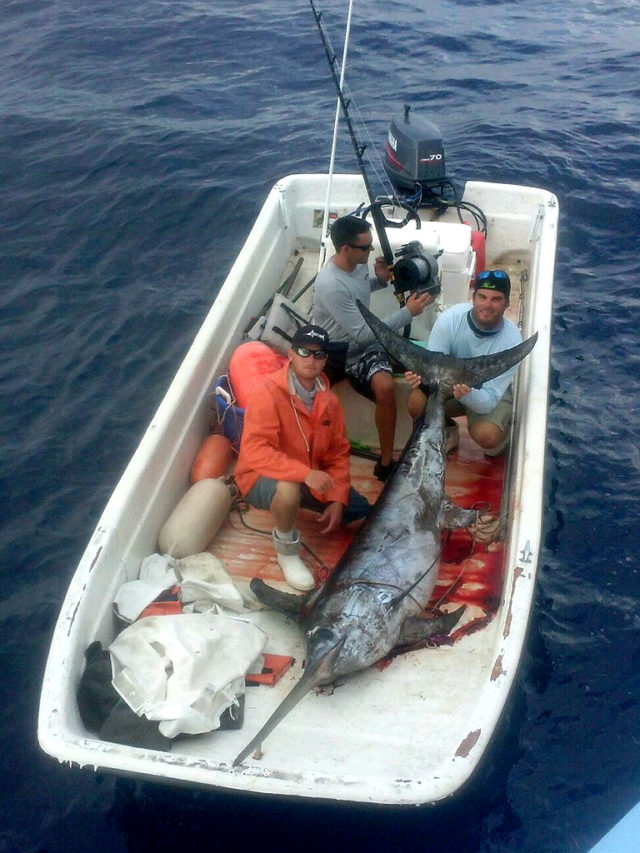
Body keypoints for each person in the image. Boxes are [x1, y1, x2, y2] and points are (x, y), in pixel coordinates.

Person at [234, 324, 371, 591]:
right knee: (288, 488)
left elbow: (338, 453)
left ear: (325, 360)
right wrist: (304, 474)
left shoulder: (329, 400)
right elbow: (256, 451)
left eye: (318, 355)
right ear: (291, 354)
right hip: (260, 477)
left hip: (312, 478)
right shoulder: (267, 393)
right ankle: (286, 550)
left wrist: (337, 497)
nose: (311, 359)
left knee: (364, 517)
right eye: (304, 352)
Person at [313, 214, 432, 481]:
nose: (370, 252)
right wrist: (408, 312)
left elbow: (358, 293)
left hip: (365, 347)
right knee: (309, 400)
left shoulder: (357, 265)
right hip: (337, 351)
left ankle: (386, 462)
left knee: (386, 387)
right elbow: (364, 333)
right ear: (345, 249)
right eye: (365, 247)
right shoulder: (330, 284)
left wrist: (378, 280)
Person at [406, 269, 521, 456]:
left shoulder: (512, 340)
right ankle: (448, 428)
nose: (487, 305)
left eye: (496, 299)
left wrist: (467, 394)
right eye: (482, 297)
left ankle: (505, 430)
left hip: (486, 393)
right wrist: (420, 379)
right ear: (473, 299)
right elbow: (433, 371)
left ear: (507, 303)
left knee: (488, 438)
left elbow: (489, 400)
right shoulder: (449, 320)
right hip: (448, 387)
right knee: (416, 402)